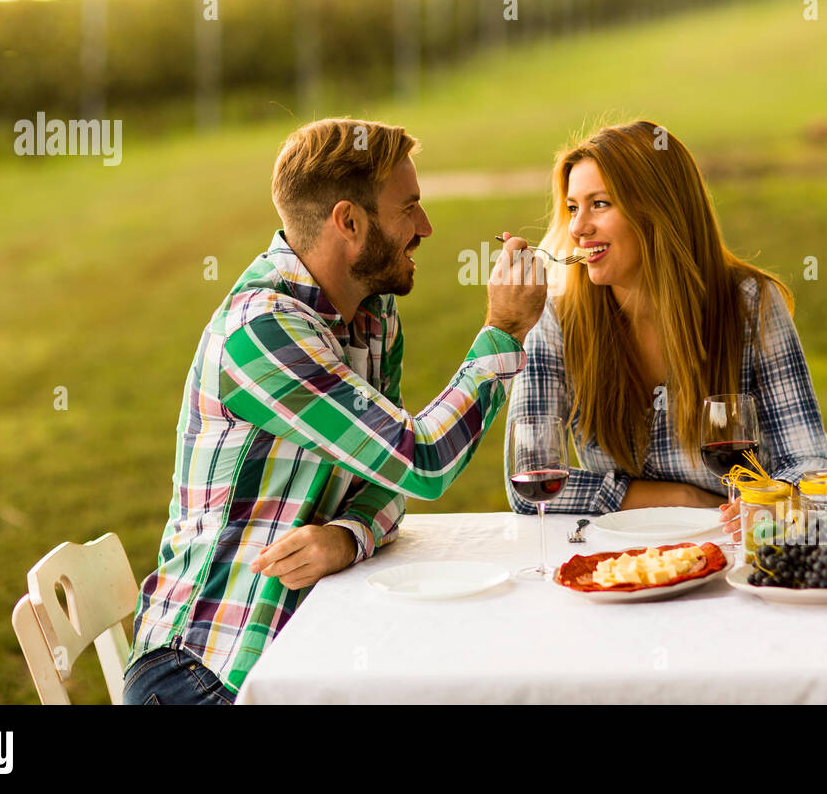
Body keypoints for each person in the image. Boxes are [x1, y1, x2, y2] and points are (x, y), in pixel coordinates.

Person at [125, 118, 546, 704]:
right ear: (348, 221)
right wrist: (503, 331)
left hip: (312, 643)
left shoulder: (372, 316)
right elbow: (421, 463)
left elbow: (388, 480)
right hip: (208, 672)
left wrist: (347, 537)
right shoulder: (262, 332)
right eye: (410, 208)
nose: (425, 227)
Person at [503, 120, 827, 538]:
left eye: (600, 204)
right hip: (620, 565)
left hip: (731, 553)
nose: (577, 227)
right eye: (572, 207)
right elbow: (529, 482)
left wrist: (776, 498)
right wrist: (685, 498)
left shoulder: (749, 304)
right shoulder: (557, 319)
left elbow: (810, 465)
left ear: (659, 210)